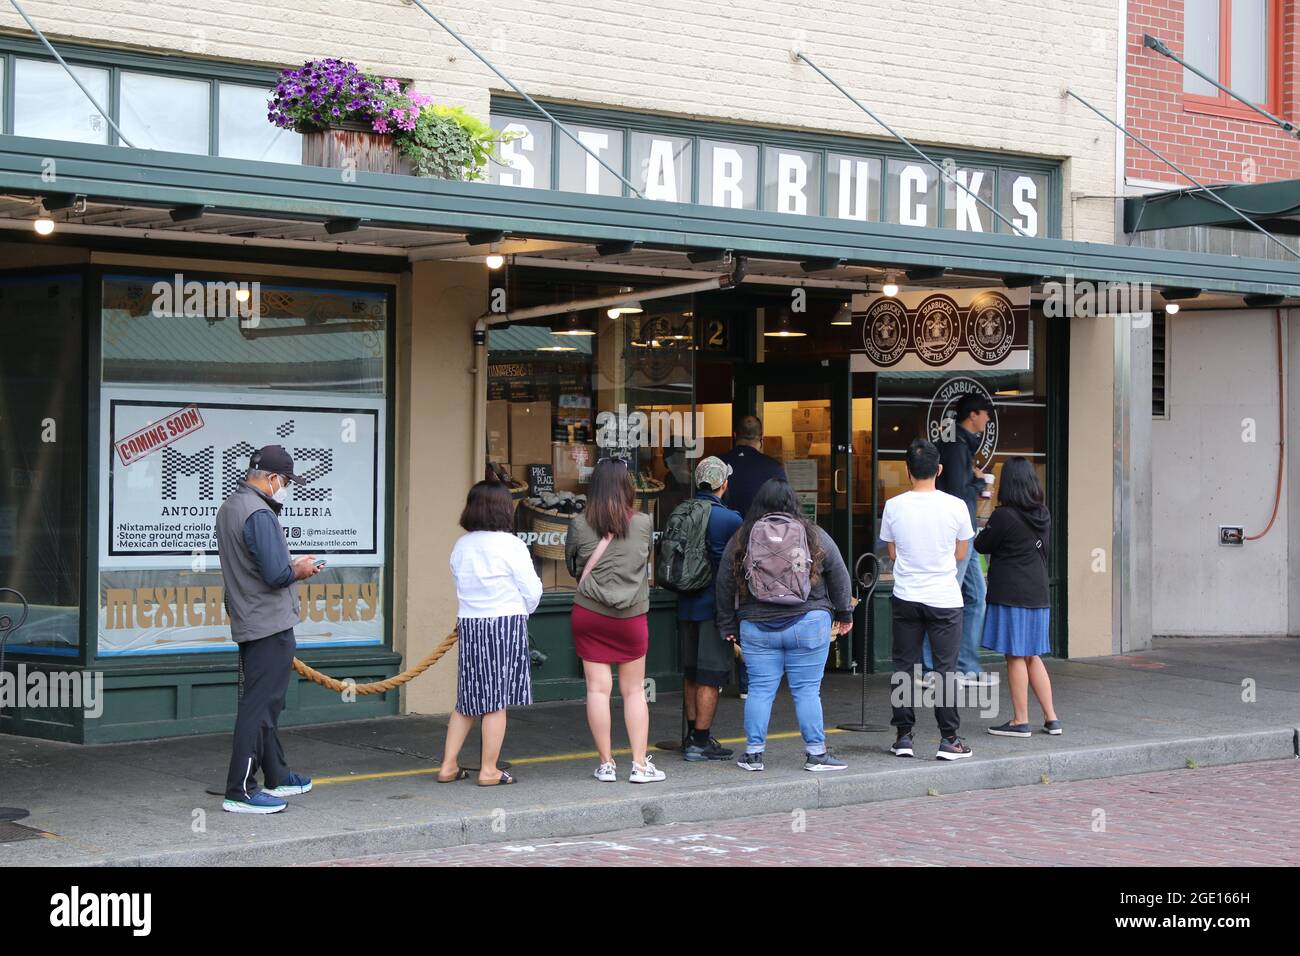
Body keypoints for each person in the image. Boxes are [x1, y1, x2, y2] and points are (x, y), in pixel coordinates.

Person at [715, 478, 853, 773]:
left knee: (760, 690)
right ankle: (816, 755)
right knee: (806, 691)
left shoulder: (743, 536)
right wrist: (845, 614)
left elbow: (725, 582)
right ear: (793, 502)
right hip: (809, 621)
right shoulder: (812, 533)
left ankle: (753, 755)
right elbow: (839, 572)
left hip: (756, 624)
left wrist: (727, 623)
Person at [215, 444, 321, 814]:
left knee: (267, 702)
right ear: (273, 478)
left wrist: (288, 565)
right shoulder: (258, 513)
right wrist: (302, 569)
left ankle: (276, 774)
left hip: (251, 618)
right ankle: (240, 790)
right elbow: (277, 574)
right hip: (267, 623)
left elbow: (254, 565)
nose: (285, 487)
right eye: (285, 481)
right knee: (260, 707)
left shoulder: (231, 506)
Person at [565, 458, 663, 784]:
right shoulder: (644, 523)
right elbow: (642, 559)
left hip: (590, 613)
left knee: (597, 689)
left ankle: (607, 765)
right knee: (634, 691)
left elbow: (572, 564)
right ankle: (638, 765)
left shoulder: (579, 523)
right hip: (631, 616)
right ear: (628, 487)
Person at [440, 479, 543, 786]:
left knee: (467, 701)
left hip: (470, 623)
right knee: (496, 701)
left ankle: (448, 765)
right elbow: (532, 591)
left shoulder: (462, 545)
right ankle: (489, 770)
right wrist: (521, 610)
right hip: (504, 623)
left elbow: (459, 582)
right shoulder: (511, 545)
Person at [880, 439, 975, 761]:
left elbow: (891, 552)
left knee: (904, 667)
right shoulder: (957, 506)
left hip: (906, 596)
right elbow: (962, 553)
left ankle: (904, 736)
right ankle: (949, 739)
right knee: (945, 669)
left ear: (907, 471)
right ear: (939, 470)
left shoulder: (894, 506)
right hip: (945, 598)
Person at [974, 457, 1062, 737]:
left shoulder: (1004, 516)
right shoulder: (1043, 514)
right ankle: (1052, 719)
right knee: (1032, 655)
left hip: (1011, 593)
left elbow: (981, 544)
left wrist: (982, 506)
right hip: (1037, 593)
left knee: (1014, 656)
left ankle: (1020, 720)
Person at [672, 456, 743, 761]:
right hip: (714, 607)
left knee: (690, 673)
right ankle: (700, 741)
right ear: (723, 485)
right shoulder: (730, 519)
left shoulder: (680, 511)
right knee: (710, 676)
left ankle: (690, 735)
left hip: (684, 604)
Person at [936, 393, 994, 686]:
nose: (988, 419)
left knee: (975, 597)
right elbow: (958, 491)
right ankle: (937, 668)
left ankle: (966, 666)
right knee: (948, 597)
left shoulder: (957, 444)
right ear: (973, 415)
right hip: (959, 533)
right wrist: (980, 482)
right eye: (985, 414)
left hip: (965, 532)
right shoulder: (957, 446)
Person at [720, 415, 786, 521]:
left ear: (735, 435)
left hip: (723, 532)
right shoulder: (774, 467)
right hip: (760, 534)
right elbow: (782, 509)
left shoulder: (717, 464)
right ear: (761, 437)